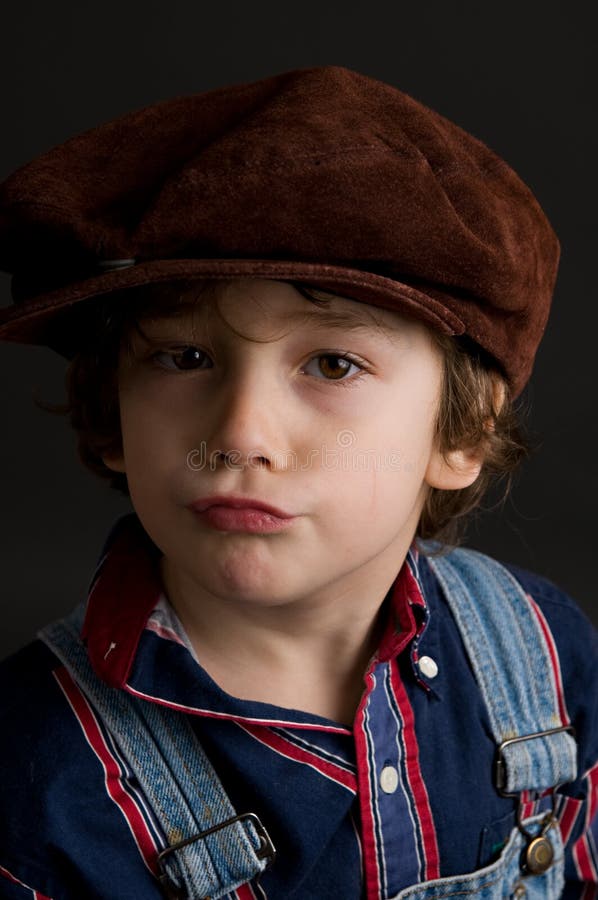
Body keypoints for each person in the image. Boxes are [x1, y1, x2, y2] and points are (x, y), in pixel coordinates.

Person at [0, 64, 595, 900]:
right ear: (112, 410)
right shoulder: (35, 773)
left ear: (461, 433)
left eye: (332, 364)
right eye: (185, 357)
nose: (241, 434)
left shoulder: (541, 649)